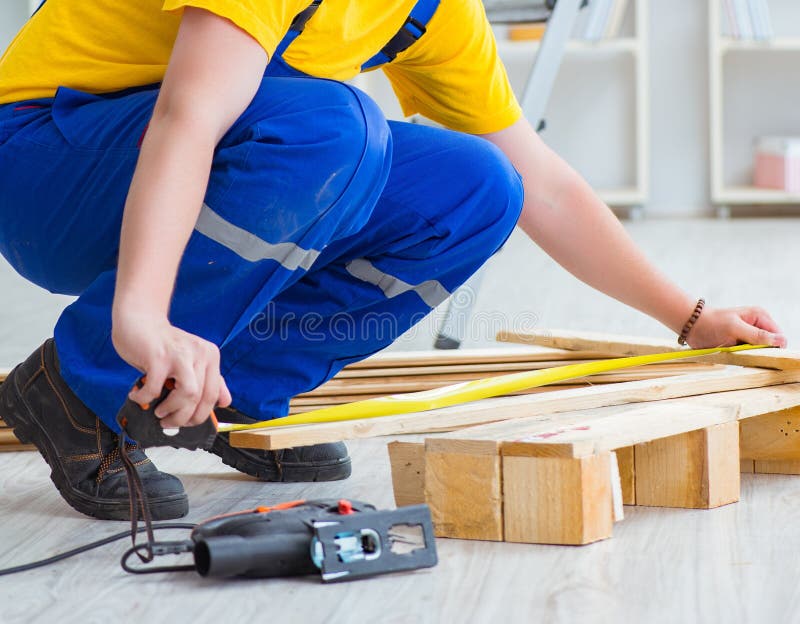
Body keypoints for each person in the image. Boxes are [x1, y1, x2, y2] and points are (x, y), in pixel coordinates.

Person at [0, 0, 785, 522]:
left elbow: (541, 185)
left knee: (476, 185)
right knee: (333, 127)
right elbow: (187, 117)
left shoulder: (431, 11)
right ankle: (78, 386)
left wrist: (688, 316)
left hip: (163, 167)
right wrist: (137, 315)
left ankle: (231, 396)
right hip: (44, 165)